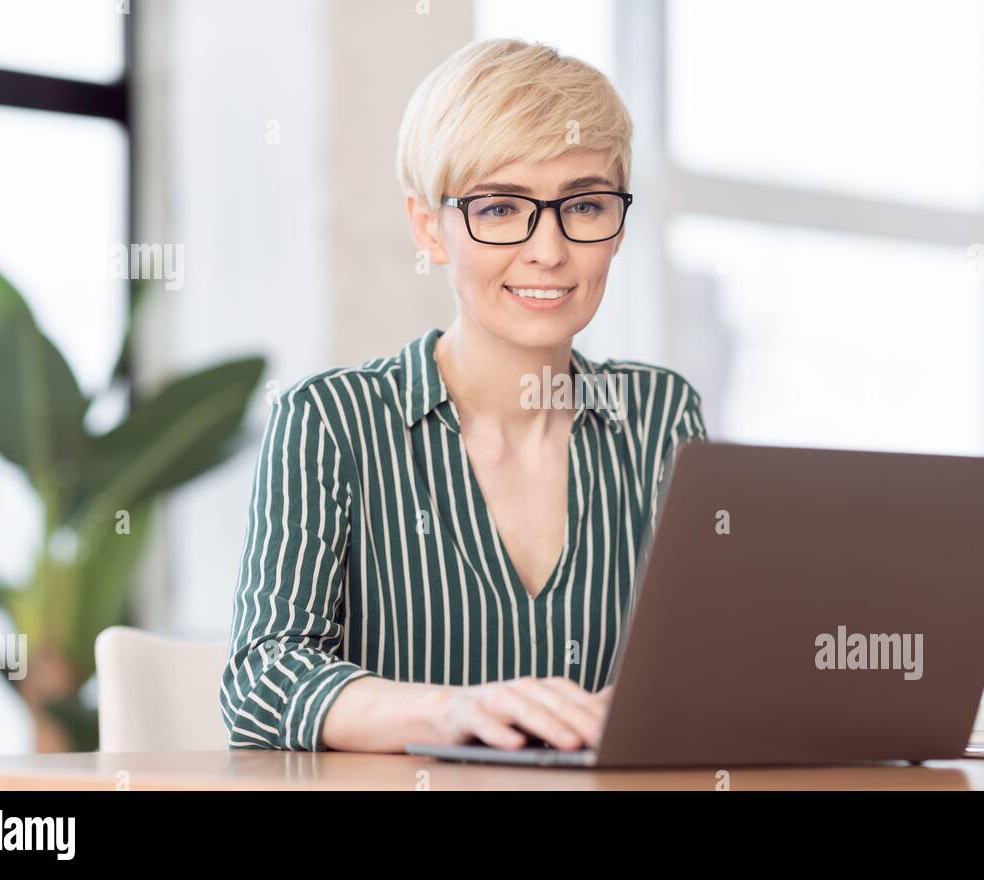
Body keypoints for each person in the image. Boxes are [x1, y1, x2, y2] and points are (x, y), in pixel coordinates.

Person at [220, 38, 707, 753]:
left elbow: (710, 661)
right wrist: (450, 713)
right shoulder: (331, 421)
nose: (549, 249)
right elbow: (262, 681)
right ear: (429, 228)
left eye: (585, 204)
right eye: (503, 209)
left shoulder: (662, 417)